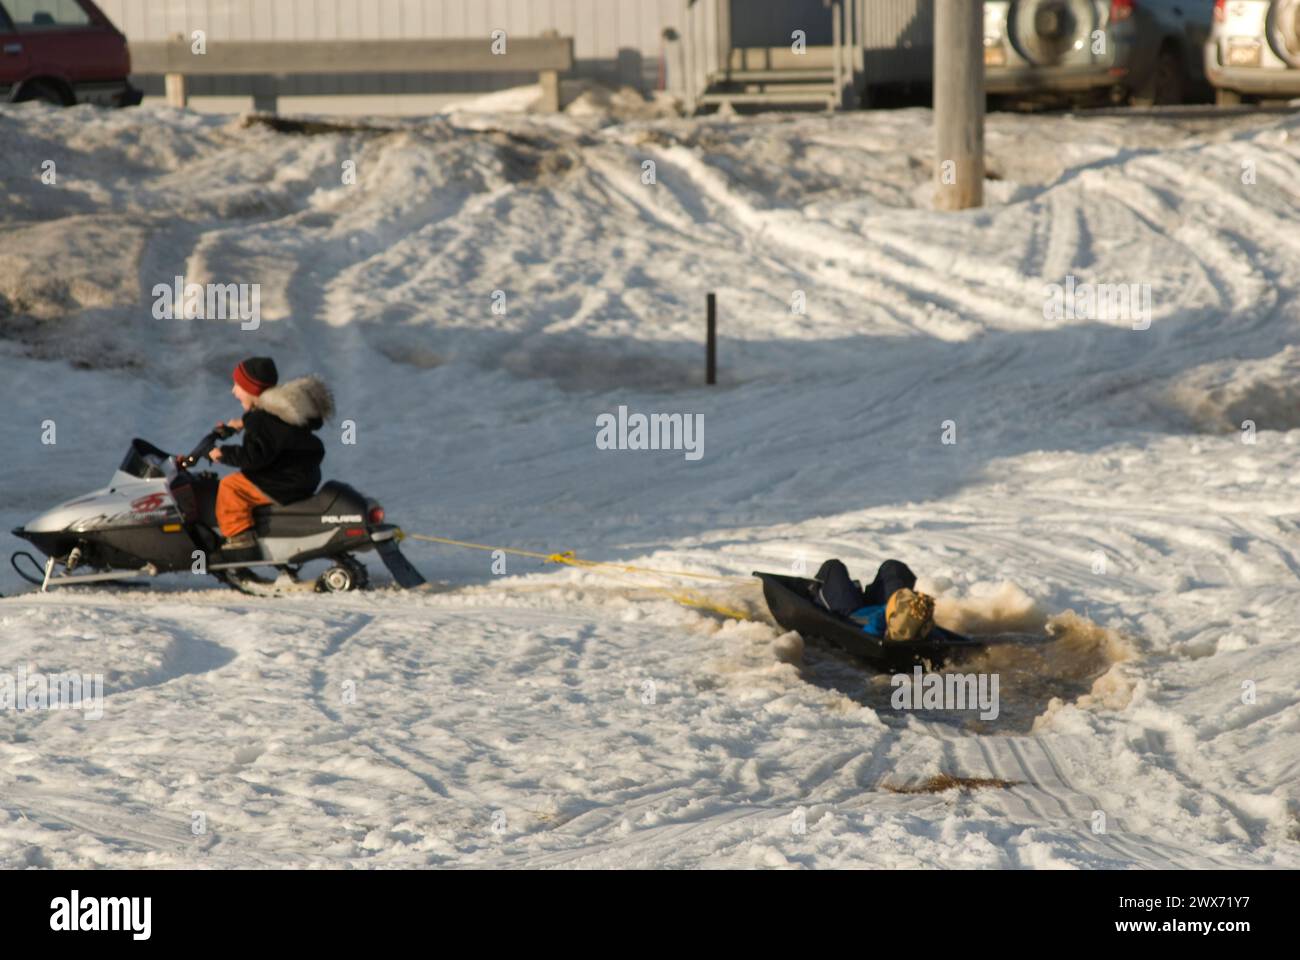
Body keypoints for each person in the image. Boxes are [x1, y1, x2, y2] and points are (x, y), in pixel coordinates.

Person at [209, 357, 335, 555]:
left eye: (238, 386)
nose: (233, 391)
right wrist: (242, 424)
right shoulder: (284, 410)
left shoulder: (260, 420)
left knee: (230, 487)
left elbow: (254, 457)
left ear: (252, 389)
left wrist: (223, 453)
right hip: (303, 477)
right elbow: (277, 432)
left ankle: (240, 539)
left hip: (282, 480)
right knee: (241, 483)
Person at [813, 558, 935, 643]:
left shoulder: (879, 624)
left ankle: (814, 595)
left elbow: (869, 632)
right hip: (880, 606)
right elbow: (935, 632)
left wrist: (890, 608)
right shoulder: (916, 623)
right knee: (893, 566)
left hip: (850, 613)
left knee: (833, 567)